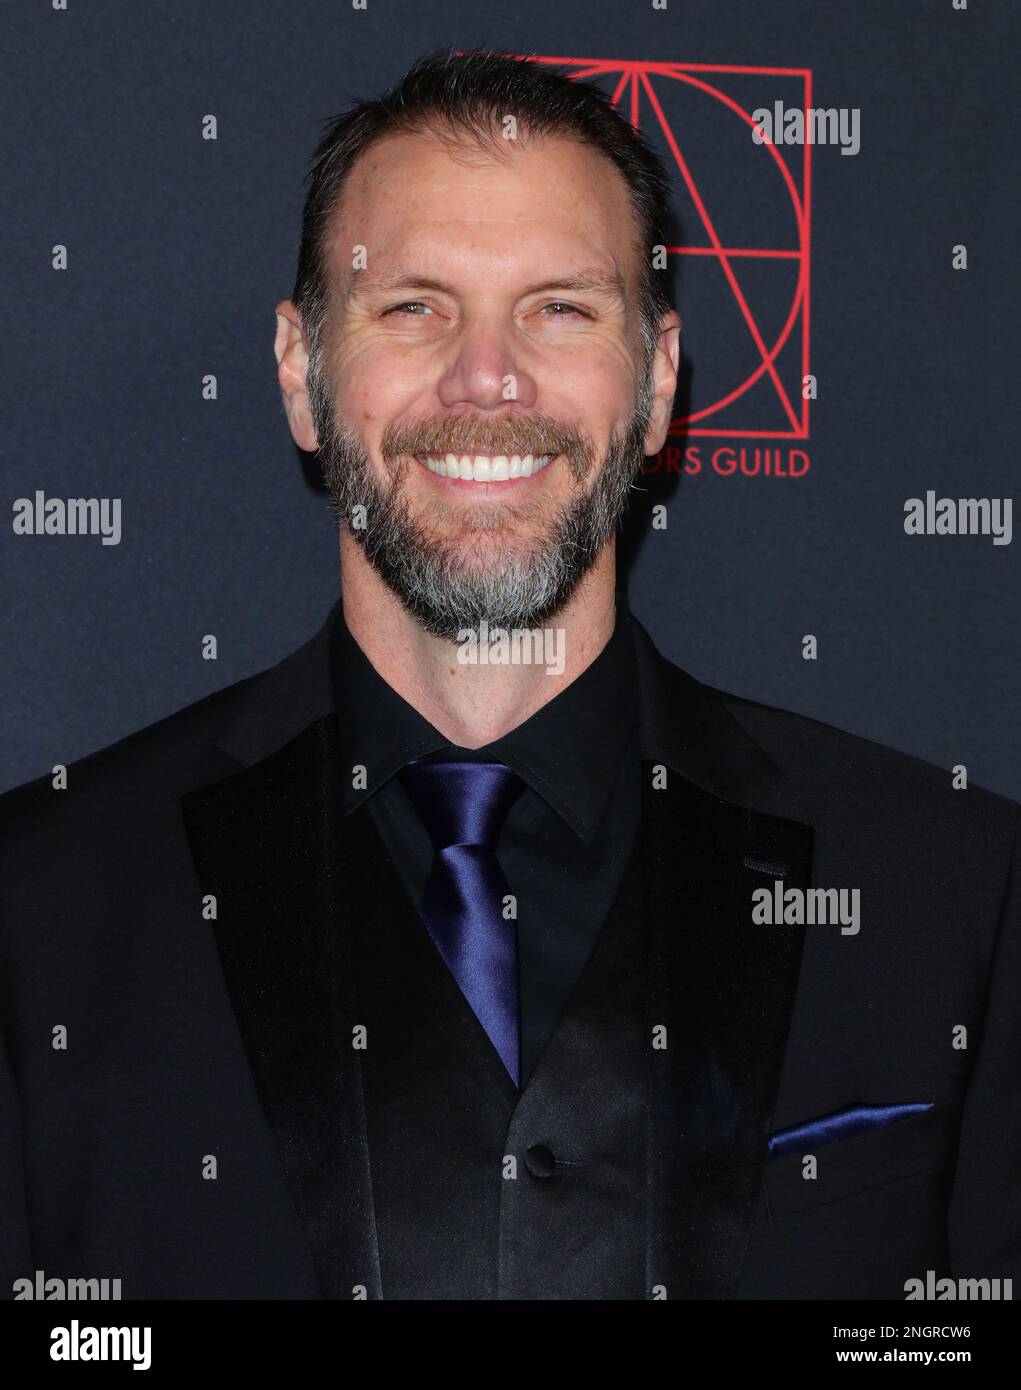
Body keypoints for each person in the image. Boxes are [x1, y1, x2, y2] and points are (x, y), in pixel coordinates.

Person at [2, 48, 1018, 1302]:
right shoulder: (44, 901)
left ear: (656, 384)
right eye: (414, 305)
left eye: (560, 306)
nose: (488, 378)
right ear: (298, 374)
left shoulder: (953, 890)